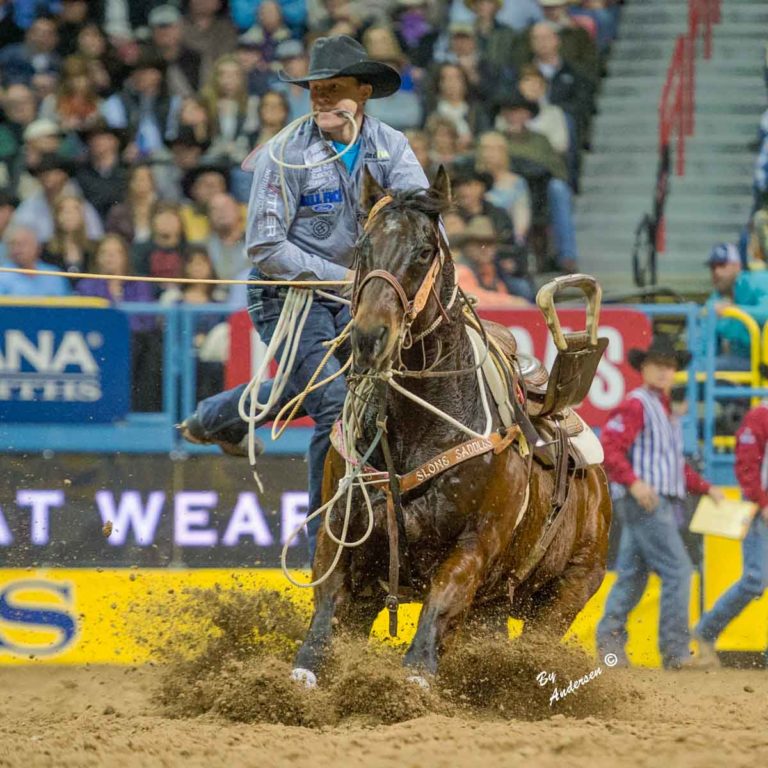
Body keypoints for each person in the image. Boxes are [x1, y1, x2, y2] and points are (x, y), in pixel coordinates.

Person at [180, 34, 429, 557]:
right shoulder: (284, 154)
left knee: (315, 392)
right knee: (336, 404)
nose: (320, 99)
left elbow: (422, 218)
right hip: (287, 297)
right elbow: (265, 246)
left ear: (363, 92)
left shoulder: (393, 147)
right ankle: (326, 543)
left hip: (362, 298)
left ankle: (214, 418)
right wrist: (344, 278)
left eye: (333, 89)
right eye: (314, 90)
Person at [596, 336, 724, 670]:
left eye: (670, 366)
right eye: (659, 365)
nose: (665, 371)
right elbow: (609, 446)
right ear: (644, 368)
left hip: (651, 500)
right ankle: (675, 652)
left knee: (633, 575)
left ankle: (610, 648)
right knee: (678, 571)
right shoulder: (639, 404)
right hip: (649, 502)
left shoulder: (660, 409)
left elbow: (673, 464)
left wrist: (705, 486)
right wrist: (634, 481)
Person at [692, 404, 768, 668]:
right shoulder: (760, 416)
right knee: (755, 579)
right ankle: (706, 630)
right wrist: (762, 501)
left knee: (755, 578)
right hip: (761, 511)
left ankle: (706, 632)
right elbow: (747, 464)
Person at [705, 242, 768, 371]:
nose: (716, 272)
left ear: (737, 266)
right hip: (746, 361)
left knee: (711, 368)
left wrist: (735, 309)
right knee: (704, 369)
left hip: (762, 360)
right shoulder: (714, 300)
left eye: (722, 265)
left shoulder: (758, 281)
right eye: (713, 267)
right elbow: (705, 345)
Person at [0, 225, 70, 297]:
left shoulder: (54, 275)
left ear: (38, 247)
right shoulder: (2, 275)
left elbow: (69, 305)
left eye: (23, 244)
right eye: (12, 244)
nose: (17, 249)